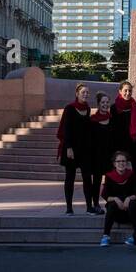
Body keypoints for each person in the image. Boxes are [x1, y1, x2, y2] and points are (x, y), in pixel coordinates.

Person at [56, 84, 98, 215]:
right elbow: (66, 129)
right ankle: (69, 208)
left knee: (87, 178)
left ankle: (89, 207)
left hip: (84, 149)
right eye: (83, 92)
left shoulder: (87, 109)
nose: (85, 94)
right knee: (70, 178)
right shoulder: (70, 108)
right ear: (77, 93)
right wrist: (68, 148)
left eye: (87, 92)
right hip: (71, 149)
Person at [99, 151, 136, 247]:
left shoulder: (132, 175)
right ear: (114, 163)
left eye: (123, 161)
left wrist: (129, 198)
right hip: (116, 213)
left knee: (133, 203)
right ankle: (106, 236)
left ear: (127, 163)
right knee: (112, 204)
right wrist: (116, 199)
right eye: (118, 161)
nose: (121, 163)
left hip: (130, 211)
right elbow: (104, 194)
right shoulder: (109, 176)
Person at [89, 93, 114, 208]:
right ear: (98, 105)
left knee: (110, 181)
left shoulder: (112, 119)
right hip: (96, 155)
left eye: (107, 102)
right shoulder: (93, 120)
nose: (105, 104)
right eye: (103, 102)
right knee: (97, 181)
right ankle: (96, 203)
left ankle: (110, 201)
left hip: (110, 155)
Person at [110, 82, 136, 171]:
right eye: (125, 90)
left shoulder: (135, 106)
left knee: (134, 169)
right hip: (118, 143)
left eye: (130, 91)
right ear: (120, 91)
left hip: (132, 142)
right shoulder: (114, 108)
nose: (128, 93)